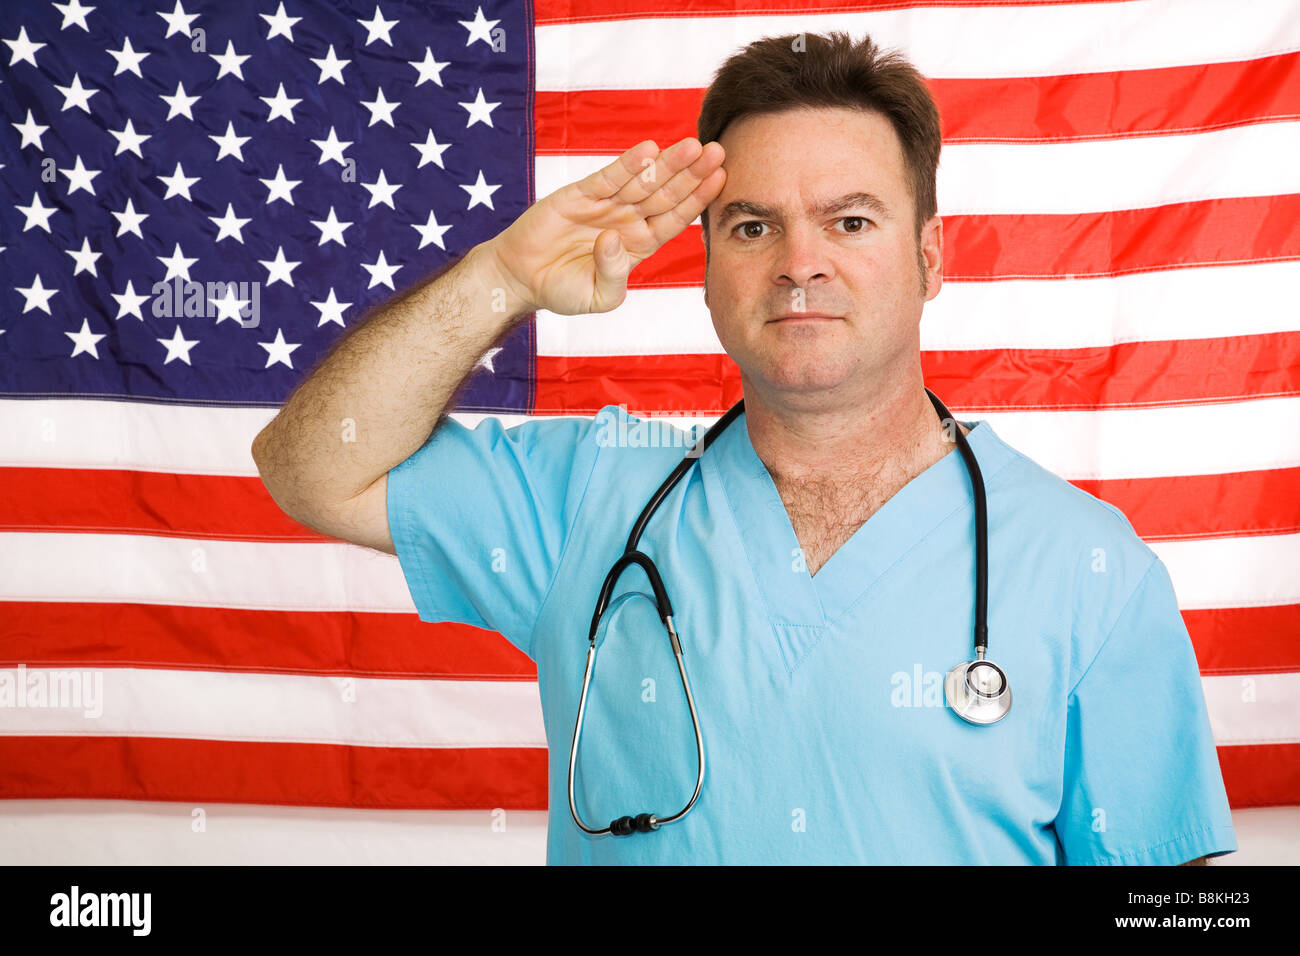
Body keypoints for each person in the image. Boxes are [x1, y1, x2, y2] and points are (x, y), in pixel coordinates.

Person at [252, 31, 1237, 865]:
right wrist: (499, 278)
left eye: (850, 221)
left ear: (929, 257)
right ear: (709, 267)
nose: (799, 262)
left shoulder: (1086, 565)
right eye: (752, 225)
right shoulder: (583, 494)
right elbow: (311, 467)